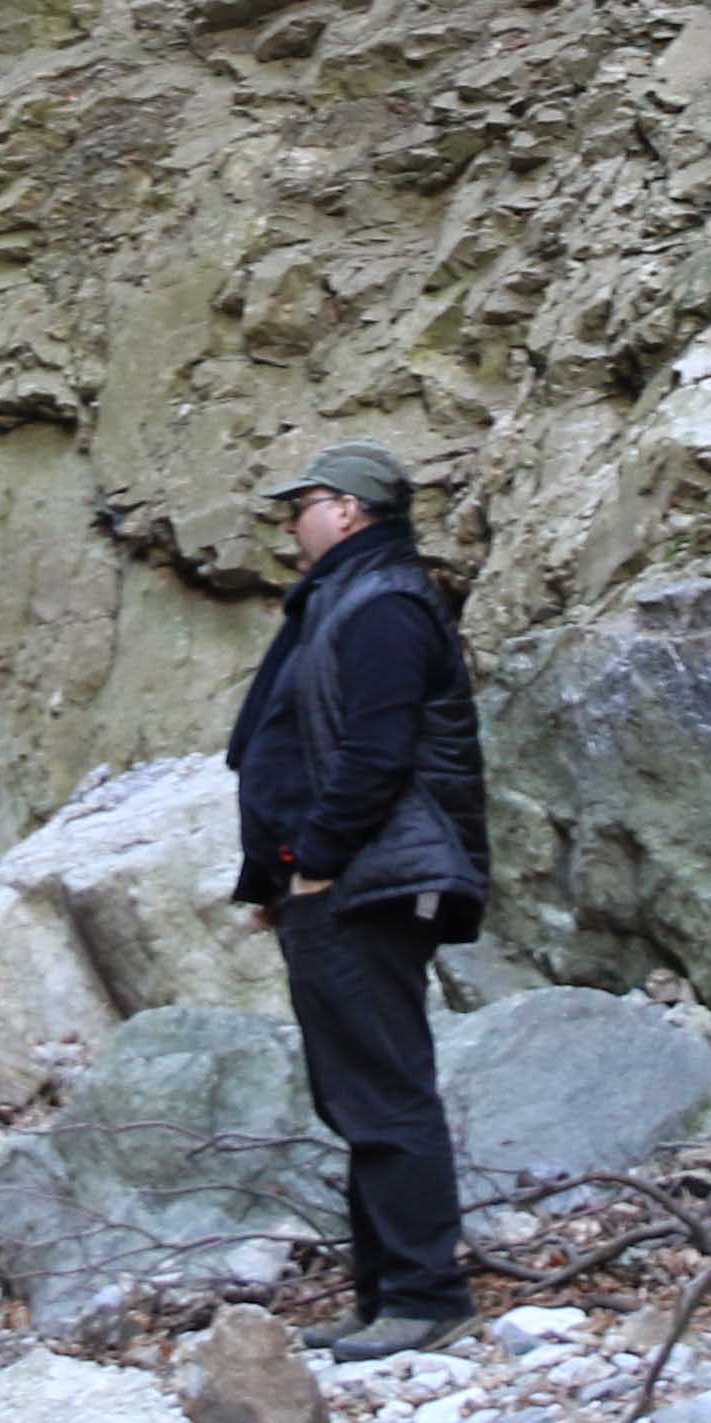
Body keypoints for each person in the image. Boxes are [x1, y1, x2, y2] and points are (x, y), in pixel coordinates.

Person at [224, 444, 492, 1362]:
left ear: (346, 509)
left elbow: (374, 753)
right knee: (356, 1096)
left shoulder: (383, 605)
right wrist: (274, 879)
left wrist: (316, 862)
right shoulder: (348, 600)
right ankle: (384, 1296)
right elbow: (295, 750)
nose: (288, 524)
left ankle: (426, 1297)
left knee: (384, 1091)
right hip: (340, 882)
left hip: (369, 881)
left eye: (299, 505)